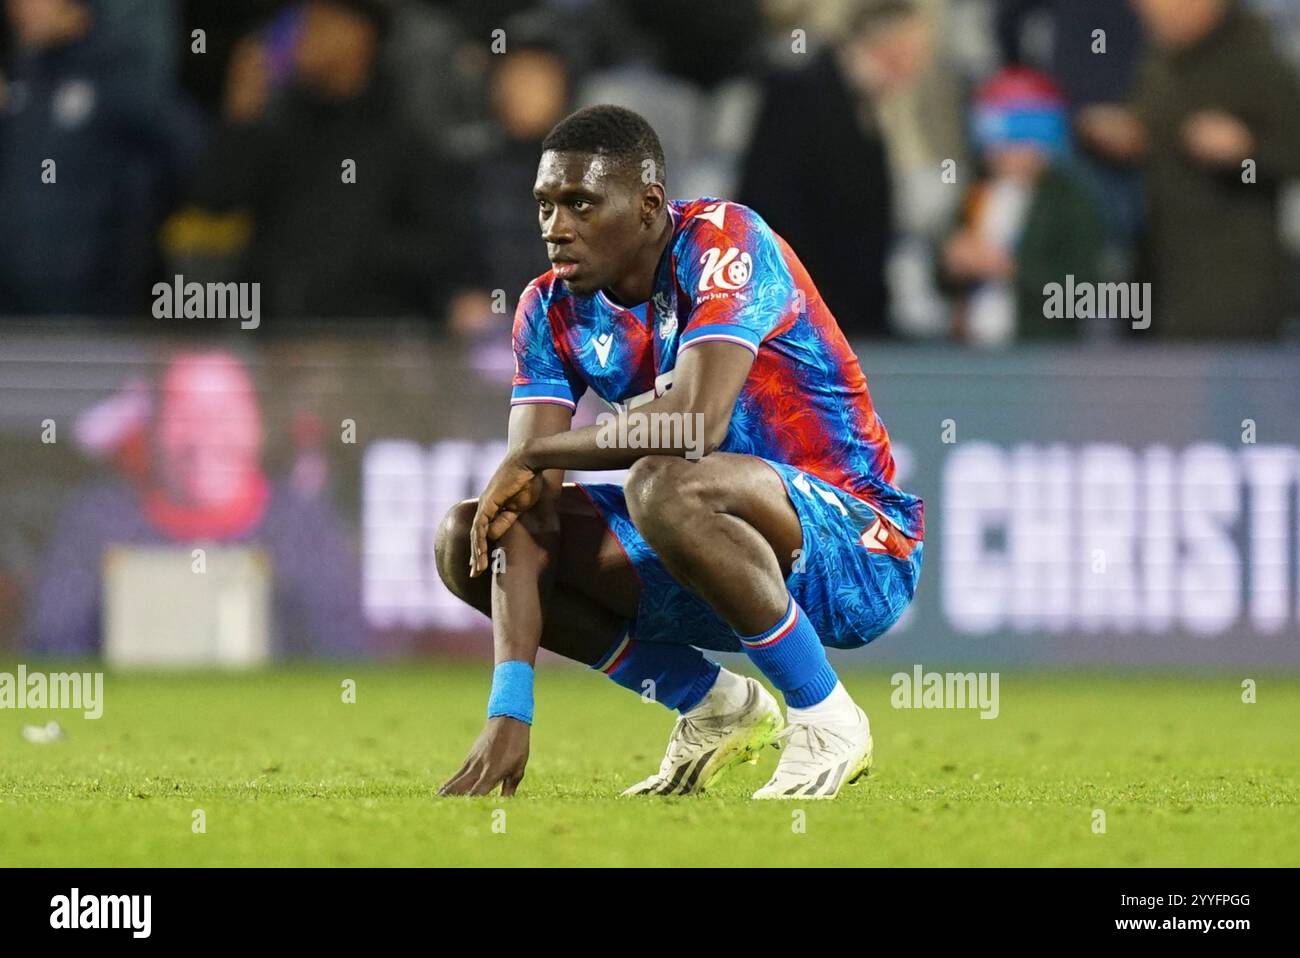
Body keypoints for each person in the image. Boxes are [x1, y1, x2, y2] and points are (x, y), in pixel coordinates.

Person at [434, 105, 924, 800]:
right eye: (545, 205)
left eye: (579, 204)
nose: (555, 228)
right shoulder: (549, 310)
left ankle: (826, 717)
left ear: (648, 205)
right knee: (469, 537)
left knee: (663, 483)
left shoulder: (725, 242)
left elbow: (695, 421)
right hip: (711, 557)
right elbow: (526, 508)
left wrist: (539, 455)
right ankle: (712, 704)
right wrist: (511, 708)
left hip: (858, 550)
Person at [24, 351, 365, 657]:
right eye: (183, 413)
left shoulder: (303, 526)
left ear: (256, 422)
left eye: (223, 412)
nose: (204, 434)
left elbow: (341, 658)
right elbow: (51, 654)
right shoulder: (96, 522)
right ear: (153, 427)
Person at [1077, 0, 1300, 339]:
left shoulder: (1255, 59)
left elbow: (1290, 151)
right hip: (1159, 275)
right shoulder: (1160, 58)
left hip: (1233, 292)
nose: (1144, 11)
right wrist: (1129, 137)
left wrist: (1245, 152)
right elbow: (1158, 129)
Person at [939, 67, 1105, 343]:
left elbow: (1084, 292)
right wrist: (952, 261)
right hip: (970, 350)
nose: (1010, 151)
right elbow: (943, 272)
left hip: (1040, 352)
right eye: (1000, 139)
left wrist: (1010, 270)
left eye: (1022, 138)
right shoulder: (975, 192)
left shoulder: (1071, 202)